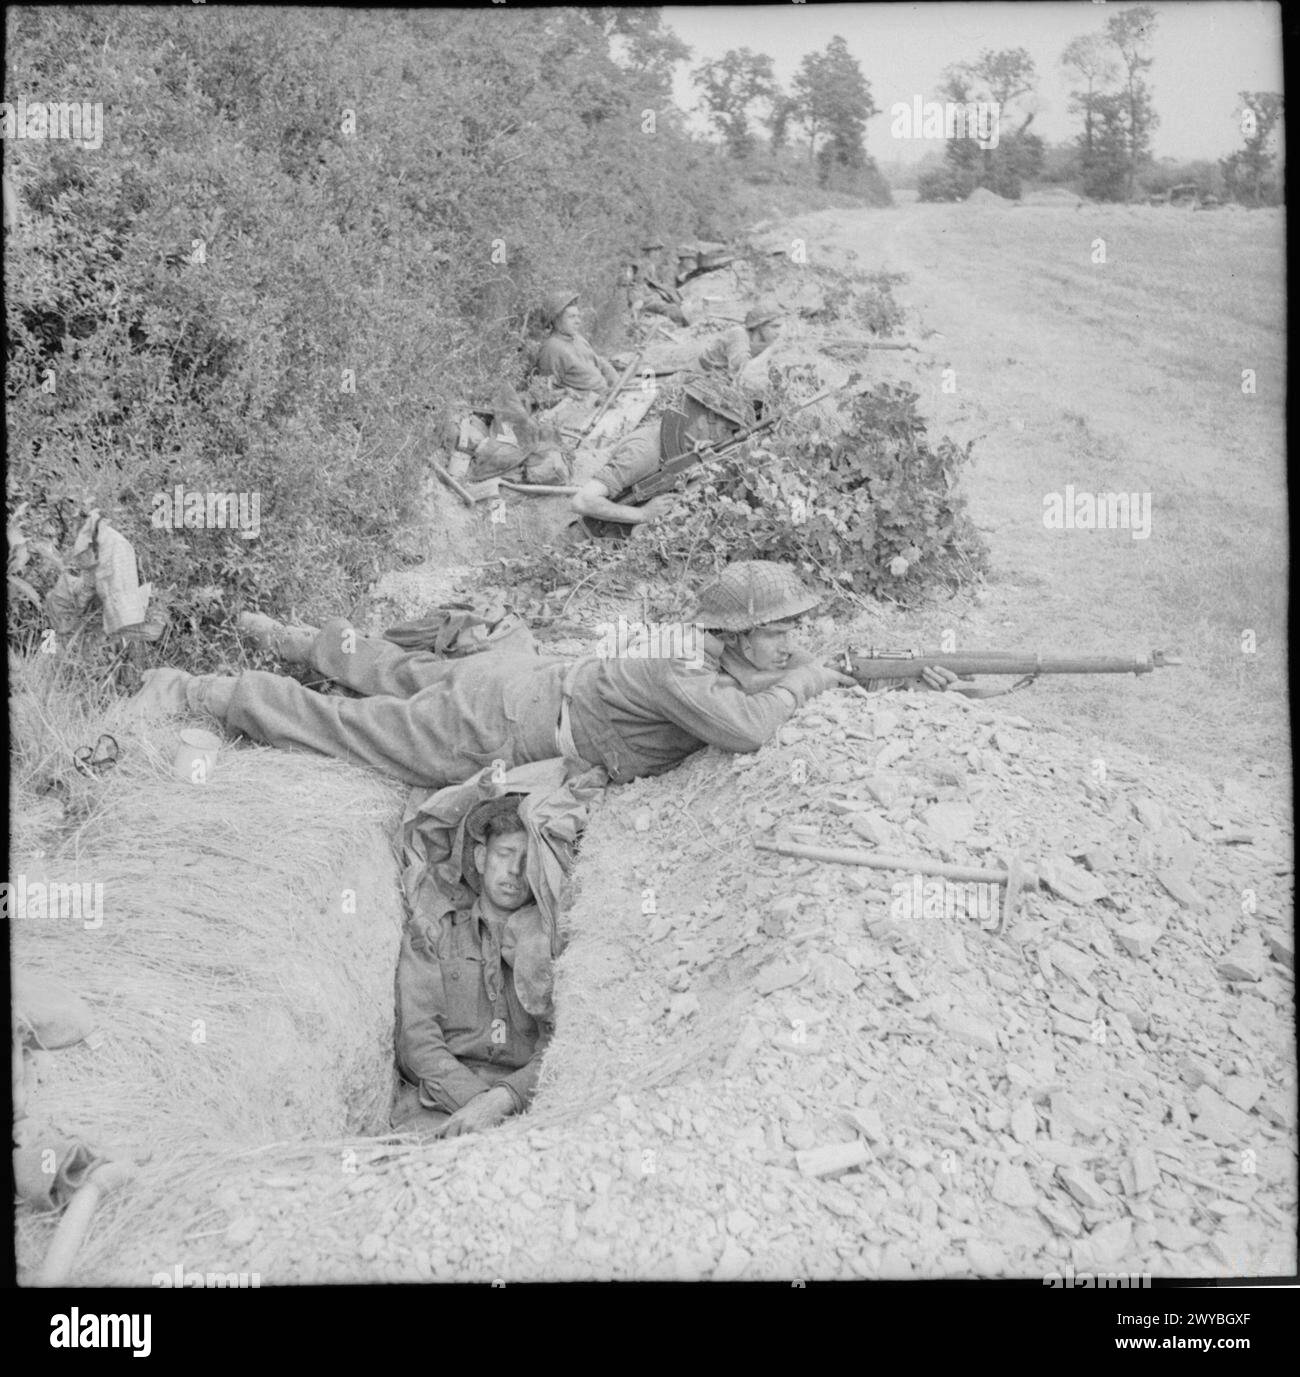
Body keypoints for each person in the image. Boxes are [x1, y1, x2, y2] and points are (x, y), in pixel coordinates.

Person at [130, 561, 858, 788]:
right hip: (509, 722)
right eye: (782, 628)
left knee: (399, 666)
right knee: (352, 728)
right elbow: (748, 726)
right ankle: (192, 689)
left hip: (519, 676)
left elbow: (745, 687)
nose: (794, 641)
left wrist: (844, 673)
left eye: (796, 628)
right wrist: (810, 684)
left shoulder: (699, 650)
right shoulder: (683, 664)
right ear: (734, 632)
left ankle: (291, 638)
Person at [393, 797, 553, 1138]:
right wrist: (476, 1102)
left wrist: (503, 1100)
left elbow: (560, 1045)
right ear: (481, 859)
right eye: (504, 854)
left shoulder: (550, 947)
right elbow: (417, 1040)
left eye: (527, 860)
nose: (514, 871)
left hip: (528, 1107)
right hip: (439, 1104)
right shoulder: (435, 933)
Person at [569, 375, 752, 534]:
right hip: (589, 539)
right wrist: (643, 514)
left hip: (620, 536)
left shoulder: (685, 448)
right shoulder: (644, 450)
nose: (728, 436)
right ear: (707, 419)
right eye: (727, 429)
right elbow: (583, 501)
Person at [534, 291, 619, 395]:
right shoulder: (551, 349)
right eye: (571, 317)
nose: (578, 321)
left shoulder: (578, 338)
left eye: (578, 316)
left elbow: (599, 362)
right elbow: (546, 390)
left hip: (606, 394)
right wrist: (567, 393)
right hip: (588, 404)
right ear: (556, 320)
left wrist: (615, 381)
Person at [696, 300, 783, 382]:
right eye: (774, 327)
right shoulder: (738, 334)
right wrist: (770, 351)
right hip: (701, 374)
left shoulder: (765, 341)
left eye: (780, 327)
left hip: (722, 374)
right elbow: (741, 371)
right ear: (759, 326)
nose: (778, 332)